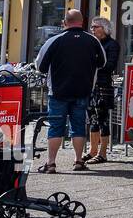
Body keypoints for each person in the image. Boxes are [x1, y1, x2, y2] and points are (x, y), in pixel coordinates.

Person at [35, 9, 106, 173]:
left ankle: (51, 163)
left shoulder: (54, 40)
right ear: (82, 22)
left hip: (58, 92)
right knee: (78, 127)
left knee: (55, 127)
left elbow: (41, 66)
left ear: (64, 22)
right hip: (83, 90)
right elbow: (102, 62)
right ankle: (79, 161)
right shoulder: (93, 40)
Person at [85, 17, 120, 165]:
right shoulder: (93, 44)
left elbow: (109, 65)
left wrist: (92, 63)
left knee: (103, 120)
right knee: (92, 119)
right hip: (91, 85)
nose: (92, 29)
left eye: (95, 27)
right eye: (92, 27)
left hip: (103, 85)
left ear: (104, 29)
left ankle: (103, 153)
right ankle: (93, 150)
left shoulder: (112, 45)